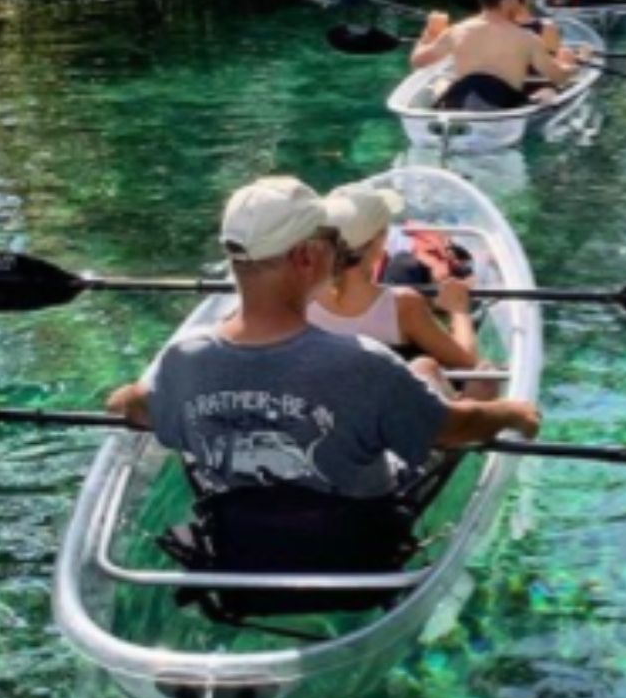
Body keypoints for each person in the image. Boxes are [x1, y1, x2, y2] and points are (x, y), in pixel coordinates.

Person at [106, 178, 541, 580]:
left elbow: (129, 407)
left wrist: (132, 397)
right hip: (359, 553)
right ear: (307, 257)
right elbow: (453, 429)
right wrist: (512, 412)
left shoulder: (183, 361)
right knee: (444, 378)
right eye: (333, 241)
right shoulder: (366, 364)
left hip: (240, 553)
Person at [307, 185, 485, 396]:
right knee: (485, 375)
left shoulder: (298, 296)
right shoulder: (403, 304)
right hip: (390, 414)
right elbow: (466, 362)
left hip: (327, 404)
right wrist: (459, 310)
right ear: (380, 240)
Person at [412, 0, 591, 110]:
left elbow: (418, 61)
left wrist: (430, 32)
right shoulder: (526, 39)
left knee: (444, 83)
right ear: (507, 0)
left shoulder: (457, 31)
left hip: (457, 104)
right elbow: (559, 77)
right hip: (498, 108)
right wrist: (574, 66)